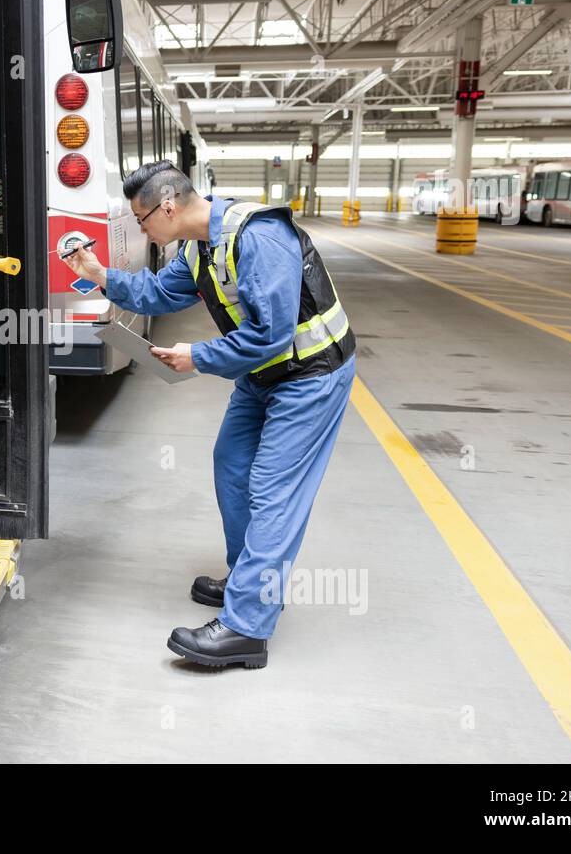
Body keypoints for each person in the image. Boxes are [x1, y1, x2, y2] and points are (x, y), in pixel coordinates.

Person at [62, 161, 355, 669]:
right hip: (264, 373)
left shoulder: (260, 238)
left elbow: (271, 334)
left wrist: (198, 357)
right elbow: (157, 293)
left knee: (272, 490)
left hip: (310, 376)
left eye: (141, 219)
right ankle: (251, 581)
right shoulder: (200, 246)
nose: (142, 230)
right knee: (232, 465)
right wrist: (98, 276)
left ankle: (246, 629)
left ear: (168, 207)